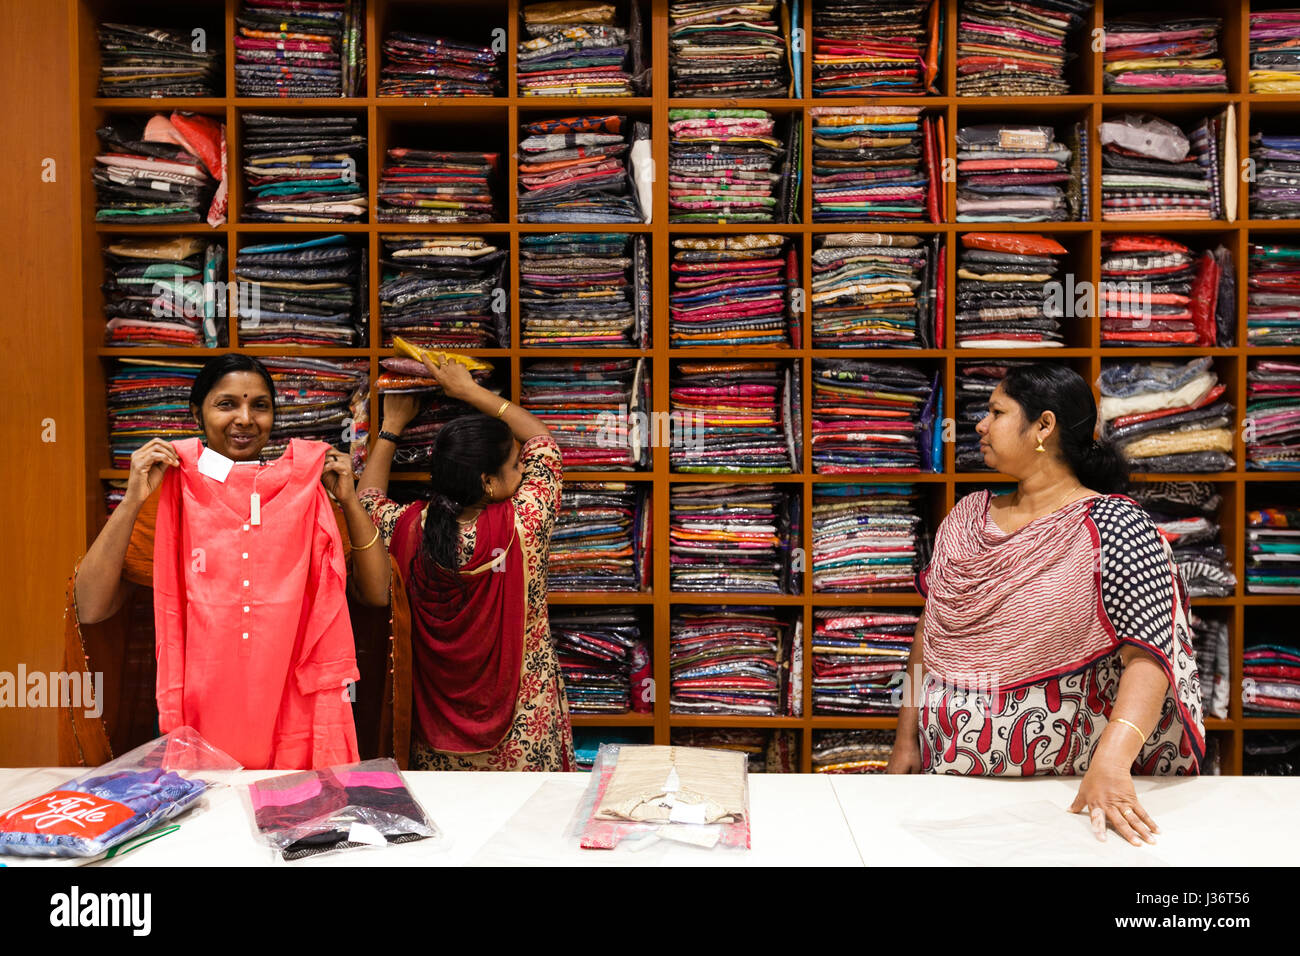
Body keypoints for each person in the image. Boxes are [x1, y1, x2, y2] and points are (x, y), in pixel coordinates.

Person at [886, 363, 1205, 847]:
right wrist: (905, 739)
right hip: (948, 785)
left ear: (1044, 426)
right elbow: (929, 634)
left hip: (1069, 798)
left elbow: (1149, 653)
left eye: (996, 411)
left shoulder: (1113, 524)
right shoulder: (967, 517)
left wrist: (1112, 765)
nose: (980, 424)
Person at [72, 354, 390, 768]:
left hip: (293, 726)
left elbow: (376, 594)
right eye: (226, 404)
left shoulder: (312, 494)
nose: (245, 418)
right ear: (197, 413)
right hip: (197, 724)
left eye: (260, 405)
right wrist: (133, 498)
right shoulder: (166, 497)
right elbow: (90, 606)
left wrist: (347, 500)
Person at [357, 355, 575, 771]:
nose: (523, 468)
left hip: (434, 741)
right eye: (514, 466)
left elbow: (366, 501)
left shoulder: (404, 528)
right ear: (489, 483)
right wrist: (468, 390)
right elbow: (543, 443)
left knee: (451, 829)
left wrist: (392, 427)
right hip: (523, 732)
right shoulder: (523, 525)